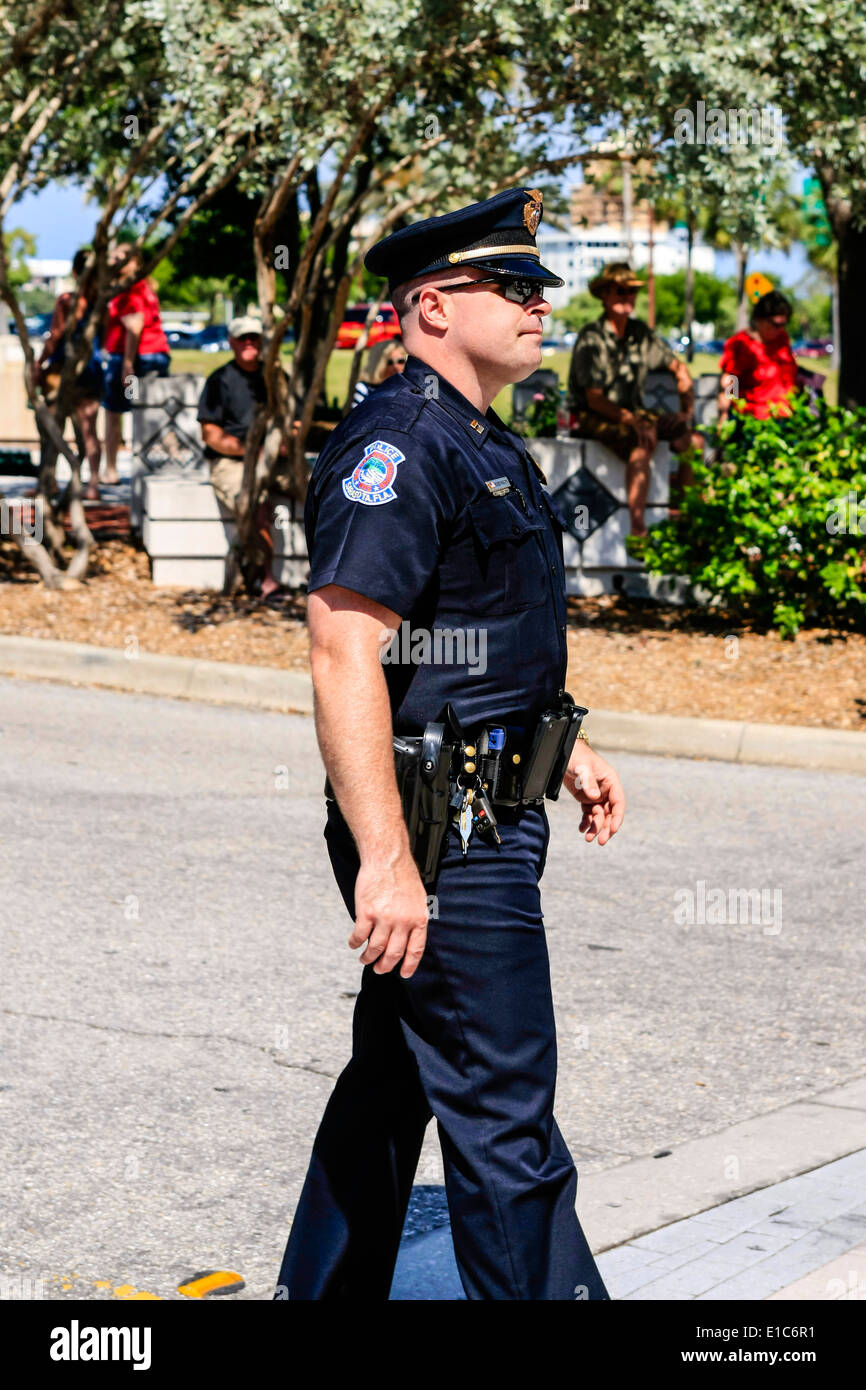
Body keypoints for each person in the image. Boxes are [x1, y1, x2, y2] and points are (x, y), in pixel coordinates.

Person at [274, 187, 625, 1302]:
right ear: (430, 306)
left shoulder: (477, 436)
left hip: (484, 807)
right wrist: (386, 860)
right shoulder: (398, 444)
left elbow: (472, 639)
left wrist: (561, 747)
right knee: (505, 1115)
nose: (538, 306)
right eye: (512, 287)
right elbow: (344, 652)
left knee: (397, 1080)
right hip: (440, 834)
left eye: (537, 288)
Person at [567, 263, 701, 536]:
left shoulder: (640, 333)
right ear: (604, 295)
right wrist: (635, 420)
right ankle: (638, 529)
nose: (628, 297)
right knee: (642, 446)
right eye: (621, 290)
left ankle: (689, 517)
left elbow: (679, 368)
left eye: (632, 291)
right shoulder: (591, 338)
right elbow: (594, 400)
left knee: (694, 442)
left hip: (635, 414)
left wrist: (686, 410)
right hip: (592, 417)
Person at [197, 315, 294, 600]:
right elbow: (210, 434)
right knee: (255, 500)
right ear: (231, 342)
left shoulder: (276, 377)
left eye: (254, 337)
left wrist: (287, 442)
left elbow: (295, 421)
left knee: (327, 488)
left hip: (276, 458)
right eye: (243, 338)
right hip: (232, 461)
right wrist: (249, 451)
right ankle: (266, 580)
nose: (249, 343)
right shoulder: (219, 380)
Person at [36, 247, 104, 499]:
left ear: (75, 272)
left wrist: (39, 364)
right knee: (88, 432)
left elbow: (55, 335)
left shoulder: (67, 300)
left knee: (52, 429)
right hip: (92, 371)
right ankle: (93, 484)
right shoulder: (104, 302)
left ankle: (49, 481)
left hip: (62, 371)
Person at [101, 244, 171, 486]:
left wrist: (128, 364)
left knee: (115, 412)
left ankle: (111, 470)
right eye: (113, 256)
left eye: (121, 257)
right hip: (153, 355)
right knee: (153, 411)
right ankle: (160, 466)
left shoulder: (131, 289)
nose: (114, 261)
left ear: (135, 262)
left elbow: (134, 326)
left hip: (134, 359)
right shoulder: (144, 287)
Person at [717, 290, 805, 424]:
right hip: (754, 419)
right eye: (776, 324)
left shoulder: (782, 339)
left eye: (784, 324)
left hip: (787, 415)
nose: (781, 329)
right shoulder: (740, 344)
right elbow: (730, 380)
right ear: (759, 319)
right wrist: (726, 415)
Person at [351, 336, 407, 407]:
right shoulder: (364, 389)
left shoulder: (408, 388)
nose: (395, 366)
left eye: (400, 361)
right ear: (377, 365)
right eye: (389, 362)